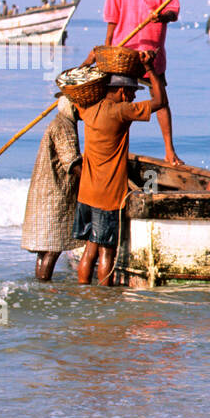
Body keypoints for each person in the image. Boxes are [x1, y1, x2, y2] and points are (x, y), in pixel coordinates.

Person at [75, 53, 166, 285]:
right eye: (133, 92)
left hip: (86, 192)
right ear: (122, 91)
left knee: (90, 248)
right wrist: (150, 68)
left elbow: (74, 82)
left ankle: (84, 293)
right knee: (107, 251)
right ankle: (104, 299)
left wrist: (89, 60)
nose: (134, 97)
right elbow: (160, 101)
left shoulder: (87, 108)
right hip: (107, 195)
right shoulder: (121, 112)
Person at [99, 0, 183, 166]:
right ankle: (115, 151)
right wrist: (107, 48)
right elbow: (112, 15)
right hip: (123, 49)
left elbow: (173, 12)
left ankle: (169, 151)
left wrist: (161, 16)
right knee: (117, 102)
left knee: (160, 99)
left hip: (151, 52)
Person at [21, 95, 81, 280]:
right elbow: (71, 162)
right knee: (54, 248)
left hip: (45, 190)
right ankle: (45, 286)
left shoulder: (59, 122)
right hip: (55, 193)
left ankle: (41, 284)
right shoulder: (64, 126)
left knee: (46, 248)